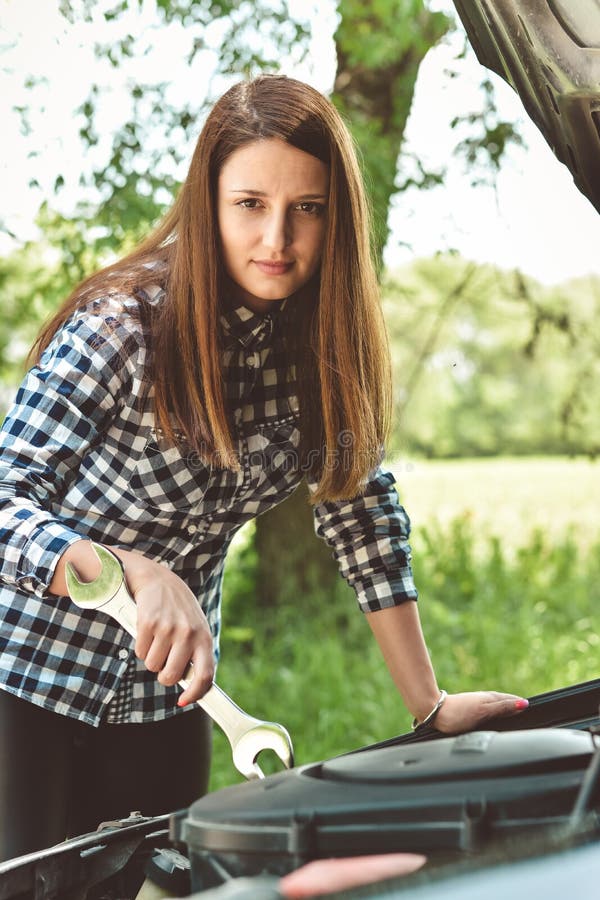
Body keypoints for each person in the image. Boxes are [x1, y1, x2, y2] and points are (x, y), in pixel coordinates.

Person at [0, 74, 528, 862]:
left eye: (305, 209)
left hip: (172, 707)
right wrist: (127, 571)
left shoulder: (323, 355)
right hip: (23, 693)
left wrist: (430, 709)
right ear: (208, 201)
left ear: (334, 216)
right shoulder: (123, 325)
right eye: (250, 204)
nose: (276, 239)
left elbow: (363, 519)